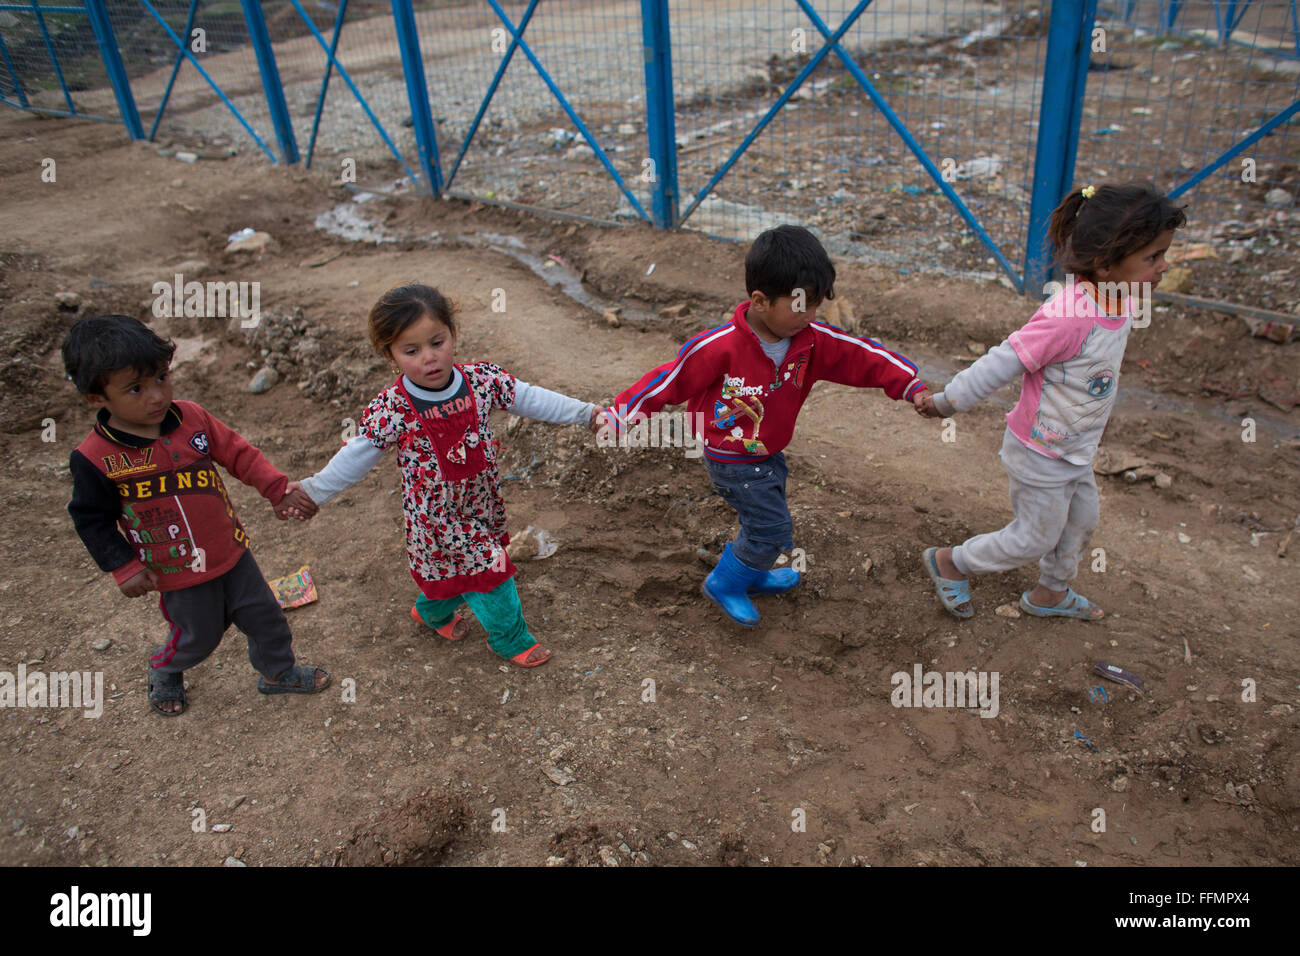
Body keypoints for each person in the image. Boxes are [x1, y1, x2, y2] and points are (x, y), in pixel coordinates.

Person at [599, 224, 931, 626]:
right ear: (759, 300)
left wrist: (909, 384)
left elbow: (864, 357)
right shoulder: (718, 346)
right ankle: (725, 583)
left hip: (770, 453)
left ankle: (752, 573)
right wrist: (624, 413)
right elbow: (670, 380)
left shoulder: (811, 341)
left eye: (814, 306)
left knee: (763, 519)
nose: (809, 316)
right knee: (771, 528)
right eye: (799, 307)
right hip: (730, 459)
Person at [292, 284, 599, 667]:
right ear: (390, 355)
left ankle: (431, 613)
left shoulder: (482, 381)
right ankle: (510, 639)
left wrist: (587, 414)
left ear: (453, 334)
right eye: (411, 351)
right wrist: (312, 492)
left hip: (482, 505)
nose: (429, 358)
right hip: (438, 519)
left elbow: (532, 398)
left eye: (437, 342)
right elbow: (356, 456)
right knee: (491, 569)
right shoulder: (394, 409)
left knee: (451, 573)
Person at [917, 182, 1186, 619]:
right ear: (1103, 263)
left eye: (1162, 254)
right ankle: (951, 561)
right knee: (1033, 537)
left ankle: (1051, 593)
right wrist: (948, 402)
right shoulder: (1068, 315)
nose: (1164, 267)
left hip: (1075, 450)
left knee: (1081, 522)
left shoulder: (1118, 300)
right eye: (1153, 257)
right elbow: (1004, 361)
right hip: (1040, 451)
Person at [63, 314, 329, 716]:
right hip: (175, 571)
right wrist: (123, 566)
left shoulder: (192, 419)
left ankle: (278, 672)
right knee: (198, 635)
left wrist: (277, 490)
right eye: (135, 388)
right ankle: (165, 666)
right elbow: (91, 519)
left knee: (266, 618)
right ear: (97, 398)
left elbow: (239, 454)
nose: (156, 396)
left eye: (160, 379)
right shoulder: (94, 458)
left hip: (231, 552)